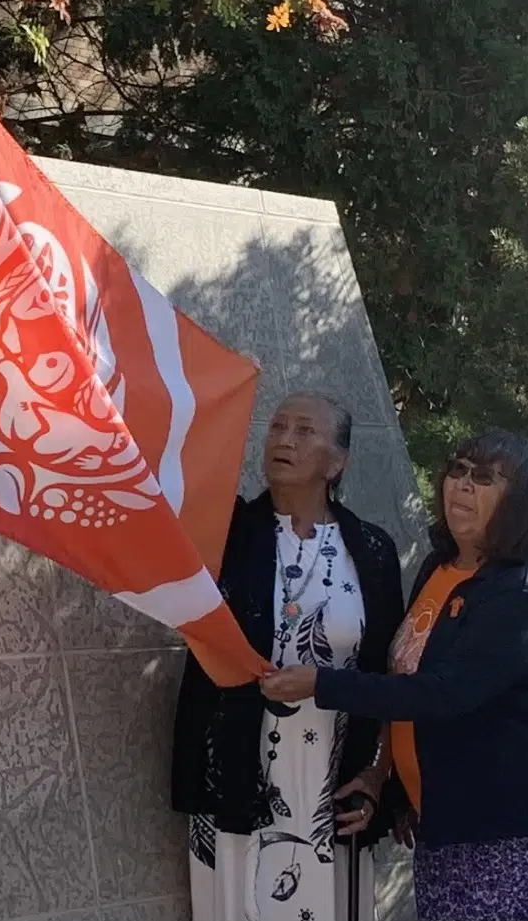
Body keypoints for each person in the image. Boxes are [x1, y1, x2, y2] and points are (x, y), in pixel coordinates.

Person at [261, 429, 528, 921]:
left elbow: (444, 693)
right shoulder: (440, 568)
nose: (461, 484)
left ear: (520, 501)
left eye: (484, 477)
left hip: (505, 835)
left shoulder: (521, 590)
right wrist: (386, 782)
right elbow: (406, 677)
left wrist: (320, 683)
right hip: (444, 828)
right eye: (456, 469)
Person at [172, 392, 406, 921]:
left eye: (304, 430)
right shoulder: (224, 534)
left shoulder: (371, 551)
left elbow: (391, 677)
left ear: (337, 461)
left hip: (333, 776)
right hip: (236, 772)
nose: (285, 438)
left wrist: (377, 774)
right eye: (278, 426)